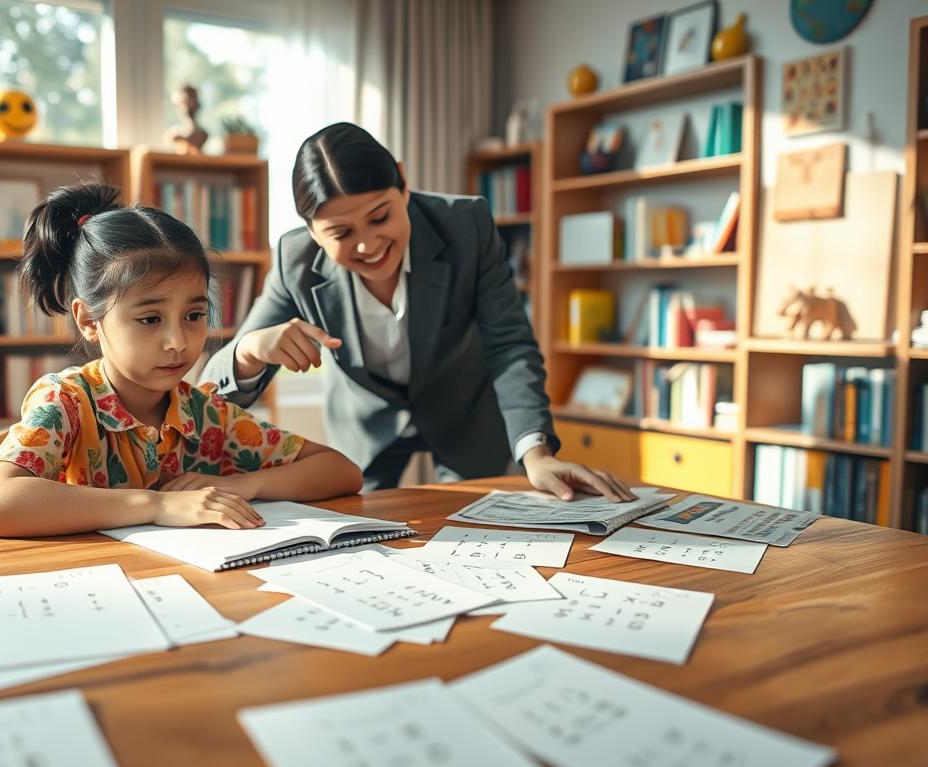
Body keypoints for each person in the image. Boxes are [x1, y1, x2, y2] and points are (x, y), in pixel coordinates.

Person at [202, 122, 634, 501]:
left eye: (380, 216)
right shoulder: (293, 259)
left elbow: (509, 343)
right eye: (341, 233)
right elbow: (211, 394)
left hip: (465, 416)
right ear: (312, 232)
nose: (368, 245)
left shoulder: (467, 225)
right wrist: (250, 351)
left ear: (403, 184)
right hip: (365, 429)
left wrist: (538, 454)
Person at [0, 182, 363, 538]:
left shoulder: (207, 414)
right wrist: (159, 504)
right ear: (90, 321)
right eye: (150, 319)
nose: (177, 341)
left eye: (194, 316)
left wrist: (245, 484)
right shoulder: (67, 402)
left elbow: (340, 472)